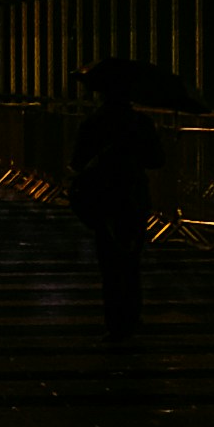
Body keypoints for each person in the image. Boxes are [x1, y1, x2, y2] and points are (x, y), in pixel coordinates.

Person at [71, 76, 161, 332]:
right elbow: (157, 160)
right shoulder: (140, 122)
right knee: (131, 259)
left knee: (109, 260)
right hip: (133, 195)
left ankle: (114, 318)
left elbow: (77, 162)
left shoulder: (93, 123)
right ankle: (132, 315)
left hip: (103, 196)